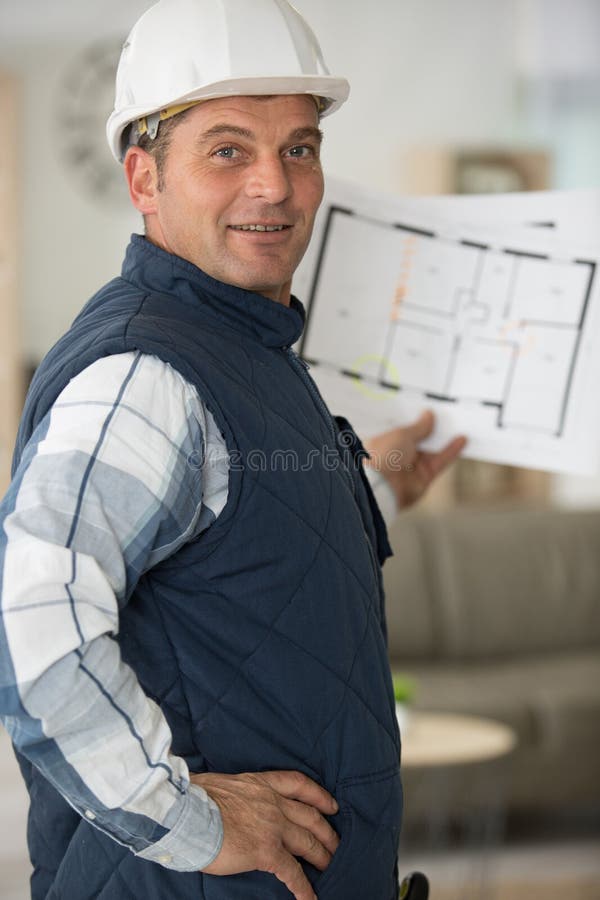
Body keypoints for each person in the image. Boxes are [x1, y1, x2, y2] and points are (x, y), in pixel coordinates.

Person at [0, 1, 465, 898]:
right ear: (144, 178)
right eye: (227, 150)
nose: (274, 186)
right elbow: (31, 629)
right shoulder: (145, 372)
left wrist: (379, 486)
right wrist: (190, 821)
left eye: (299, 148)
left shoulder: (243, 341)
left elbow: (243, 530)